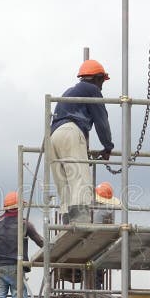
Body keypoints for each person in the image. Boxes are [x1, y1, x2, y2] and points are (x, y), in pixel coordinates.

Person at [48, 59, 114, 224]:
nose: (101, 86)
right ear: (97, 78)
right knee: (79, 178)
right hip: (71, 131)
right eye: (101, 81)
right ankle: (81, 221)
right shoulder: (91, 90)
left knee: (63, 181)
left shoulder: (69, 92)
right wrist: (107, 147)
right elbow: (101, 120)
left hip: (53, 136)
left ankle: (67, 219)